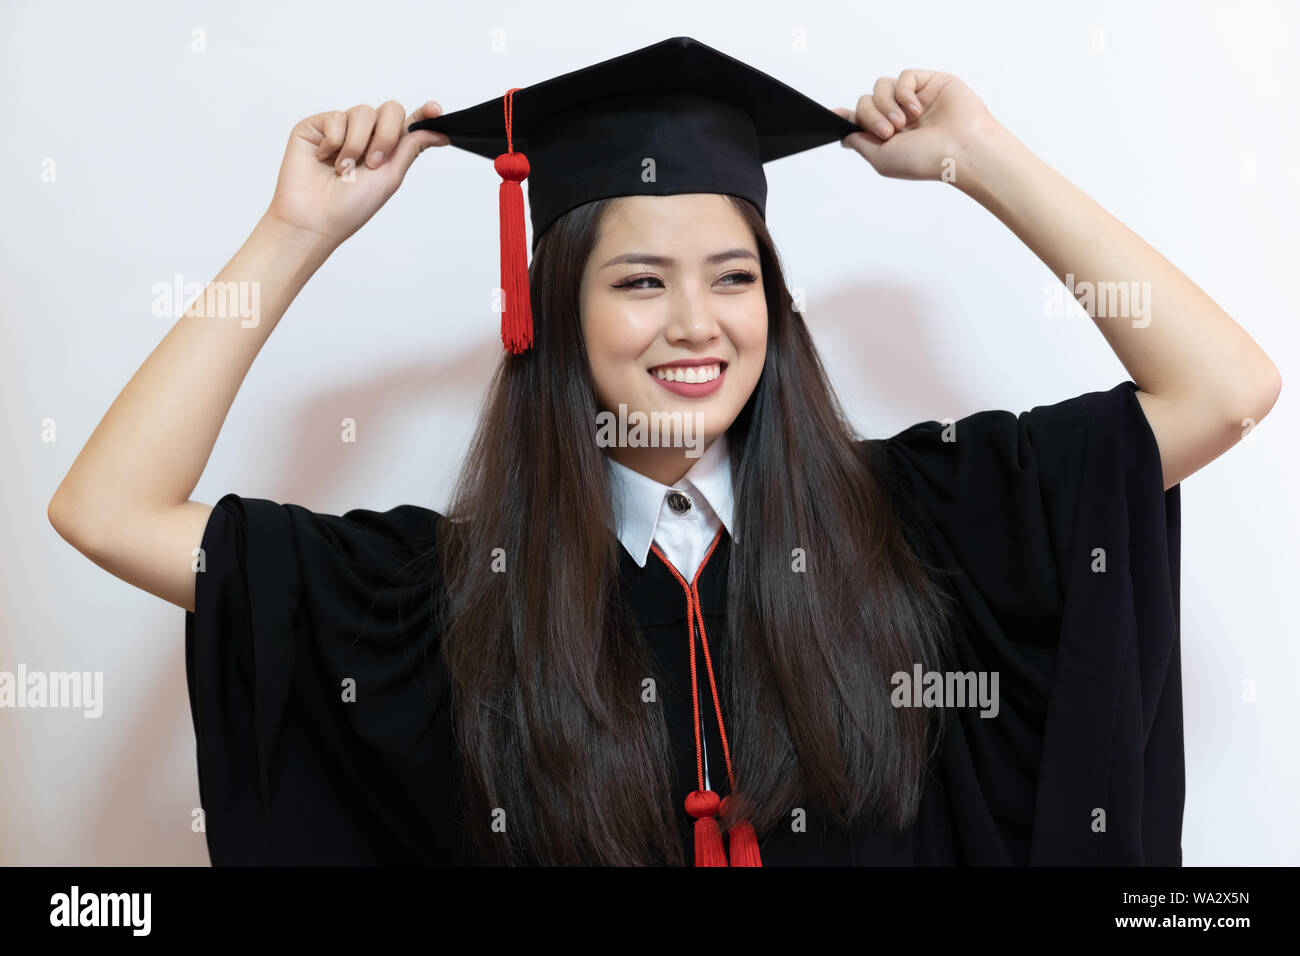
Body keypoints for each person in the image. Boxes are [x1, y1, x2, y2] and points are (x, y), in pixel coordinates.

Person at [48, 37, 1279, 867]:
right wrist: (292, 231)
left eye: (733, 277)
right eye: (640, 280)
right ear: (553, 314)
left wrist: (982, 161)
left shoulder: (926, 523)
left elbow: (1226, 389)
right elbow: (106, 507)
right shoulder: (445, 601)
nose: (696, 322)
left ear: (775, 307)